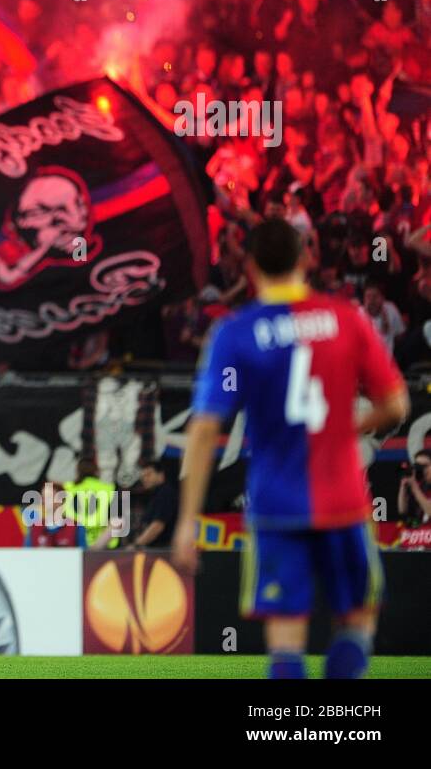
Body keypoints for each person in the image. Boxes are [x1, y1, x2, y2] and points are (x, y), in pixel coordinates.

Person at [175, 218, 409, 679]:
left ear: (251, 266)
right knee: (357, 621)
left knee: (285, 638)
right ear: (306, 258)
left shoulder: (235, 334)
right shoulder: (347, 319)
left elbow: (204, 429)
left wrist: (187, 521)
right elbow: (396, 405)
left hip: (276, 505)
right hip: (343, 500)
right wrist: (351, 425)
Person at [130, 460, 177, 549]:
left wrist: (136, 545)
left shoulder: (165, 493)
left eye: (148, 474)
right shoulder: (154, 495)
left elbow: (157, 526)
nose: (145, 479)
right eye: (142, 476)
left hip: (163, 550)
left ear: (161, 474)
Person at [397, 449, 431, 527]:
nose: (422, 469)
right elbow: (402, 510)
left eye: (425, 466)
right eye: (418, 466)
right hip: (421, 534)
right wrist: (403, 486)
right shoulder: (421, 486)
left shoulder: (416, 487)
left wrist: (414, 486)